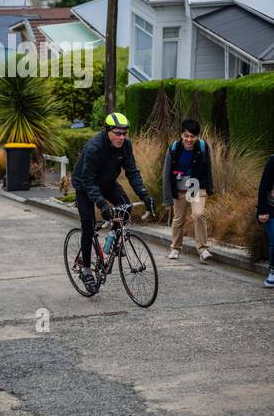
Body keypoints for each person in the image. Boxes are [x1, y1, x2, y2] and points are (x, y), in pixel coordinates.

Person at [70, 112, 155, 293]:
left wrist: (144, 195)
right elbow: (88, 181)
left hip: (107, 182)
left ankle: (114, 242)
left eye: (124, 133)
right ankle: (86, 269)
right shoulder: (94, 148)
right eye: (117, 133)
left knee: (126, 208)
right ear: (107, 131)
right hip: (85, 186)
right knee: (88, 225)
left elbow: (132, 172)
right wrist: (102, 204)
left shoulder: (126, 146)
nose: (121, 137)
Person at [163, 117, 214, 261]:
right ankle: (175, 248)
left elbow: (209, 169)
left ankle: (203, 250)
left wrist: (209, 188)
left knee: (198, 214)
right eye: (186, 136)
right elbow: (166, 173)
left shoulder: (203, 147)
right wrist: (167, 199)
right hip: (178, 187)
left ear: (197, 137)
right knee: (178, 219)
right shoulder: (174, 148)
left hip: (195, 185)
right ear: (181, 135)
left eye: (192, 136)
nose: (189, 139)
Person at [257, 151, 274, 289]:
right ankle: (272, 272)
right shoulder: (273, 161)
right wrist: (262, 211)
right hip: (271, 210)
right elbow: (264, 186)